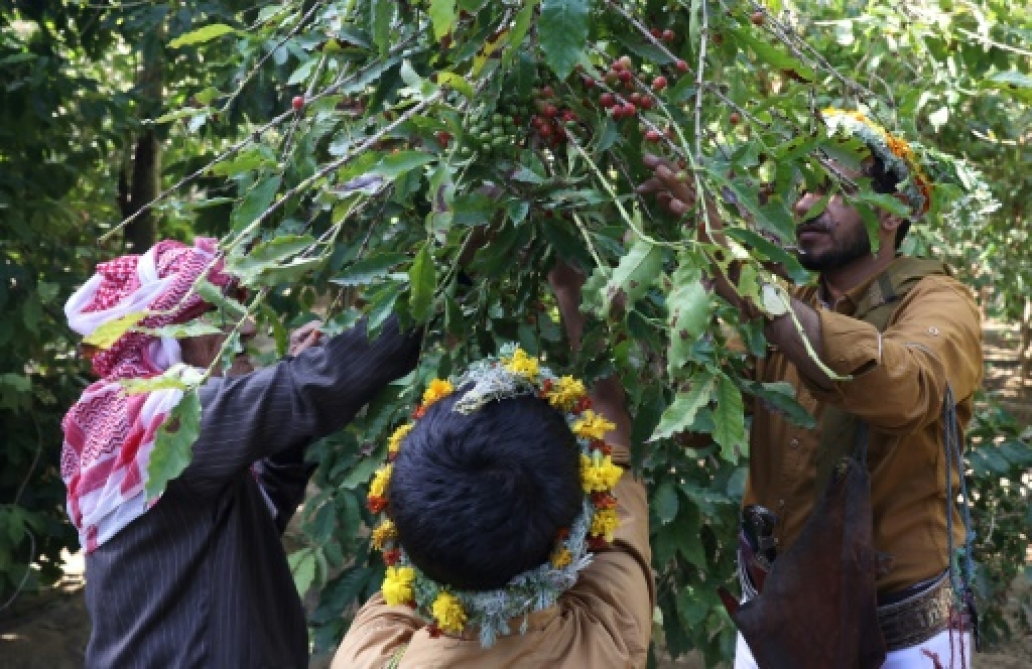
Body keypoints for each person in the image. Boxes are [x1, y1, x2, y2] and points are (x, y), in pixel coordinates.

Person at [639, 109, 983, 667]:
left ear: (891, 213)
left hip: (898, 639)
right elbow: (698, 425)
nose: (803, 206)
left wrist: (743, 278)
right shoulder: (789, 302)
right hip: (777, 613)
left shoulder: (941, 302)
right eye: (803, 189)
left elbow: (906, 387)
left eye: (834, 190)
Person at [60, 237, 422, 668]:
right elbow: (314, 389)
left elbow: (257, 516)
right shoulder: (166, 420)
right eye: (219, 312)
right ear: (169, 335)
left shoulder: (130, 418)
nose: (247, 328)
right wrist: (430, 283)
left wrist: (291, 395)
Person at [331, 261, 655, 668]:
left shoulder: (367, 657)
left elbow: (412, 579)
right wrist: (571, 290)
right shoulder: (609, 637)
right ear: (575, 534)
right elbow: (611, 418)